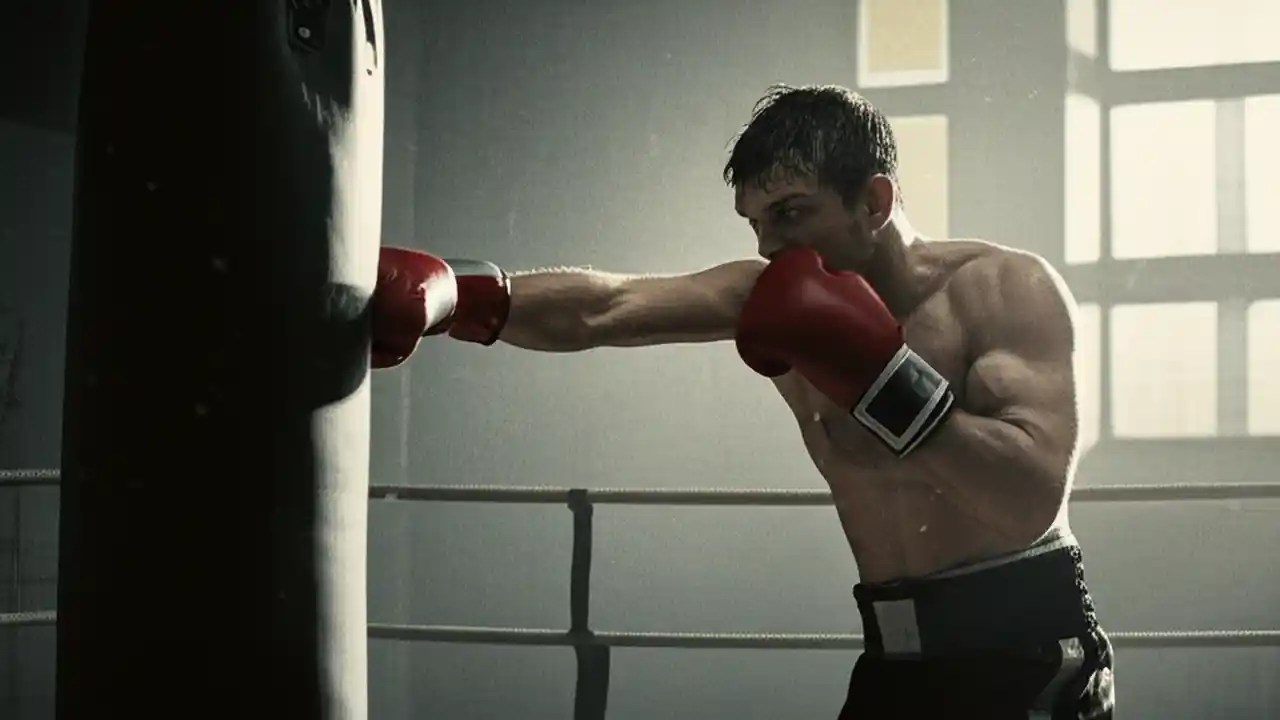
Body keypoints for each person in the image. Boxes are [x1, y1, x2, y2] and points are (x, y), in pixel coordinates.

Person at [373, 84, 1115, 718]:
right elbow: (605, 307)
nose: (768, 246)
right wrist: (455, 295)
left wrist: (880, 378)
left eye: (790, 213)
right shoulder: (770, 294)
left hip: (1027, 654)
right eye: (757, 223)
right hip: (895, 664)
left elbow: (1028, 500)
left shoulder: (1002, 290)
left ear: (874, 200)